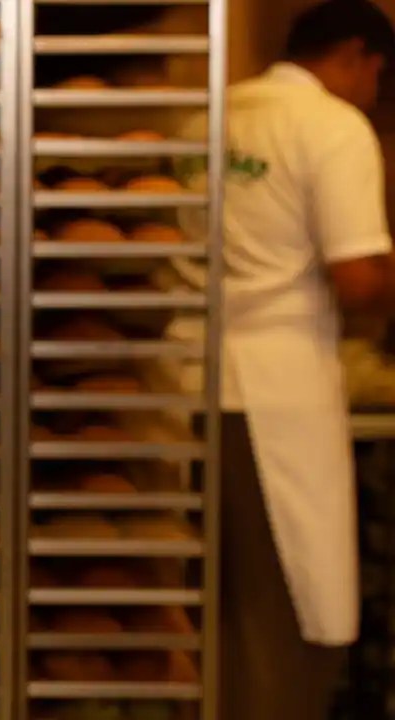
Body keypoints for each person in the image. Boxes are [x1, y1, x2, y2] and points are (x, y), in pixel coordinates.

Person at [168, 1, 395, 718]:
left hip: (182, 382)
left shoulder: (205, 117)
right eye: (378, 75)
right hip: (280, 392)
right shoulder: (331, 126)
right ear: (359, 56)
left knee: (215, 607)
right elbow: (357, 278)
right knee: (292, 607)